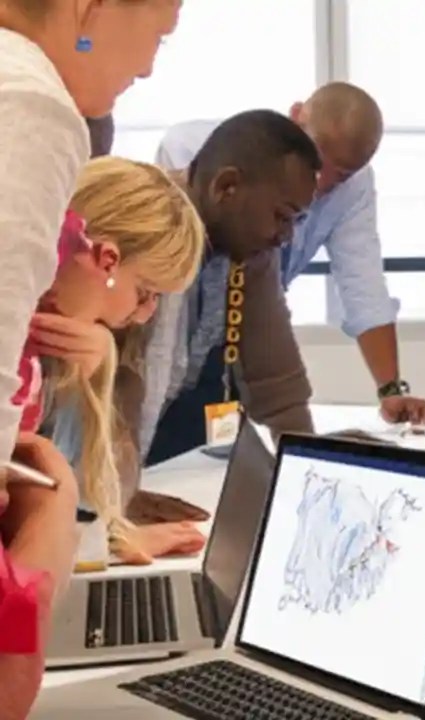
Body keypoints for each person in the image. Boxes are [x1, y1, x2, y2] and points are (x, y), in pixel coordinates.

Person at [0, 1, 181, 717]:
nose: (147, 65)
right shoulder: (31, 104)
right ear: (89, 8)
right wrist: (47, 534)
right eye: (158, 37)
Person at [155, 82, 425, 425]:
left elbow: (363, 284)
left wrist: (390, 389)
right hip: (172, 328)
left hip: (230, 341)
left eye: (342, 174)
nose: (322, 182)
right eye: (281, 216)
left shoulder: (260, 254)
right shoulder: (193, 156)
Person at [33, 158, 206, 564]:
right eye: (144, 291)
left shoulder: (80, 347)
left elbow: (79, 505)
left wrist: (109, 540)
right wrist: (103, 544)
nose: (145, 314)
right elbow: (24, 536)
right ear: (105, 259)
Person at [130, 109, 320, 478]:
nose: (287, 236)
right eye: (282, 216)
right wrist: (117, 493)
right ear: (226, 187)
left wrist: (309, 469)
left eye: (296, 221)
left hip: (165, 456)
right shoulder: (138, 224)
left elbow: (275, 375)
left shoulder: (253, 249)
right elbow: (99, 382)